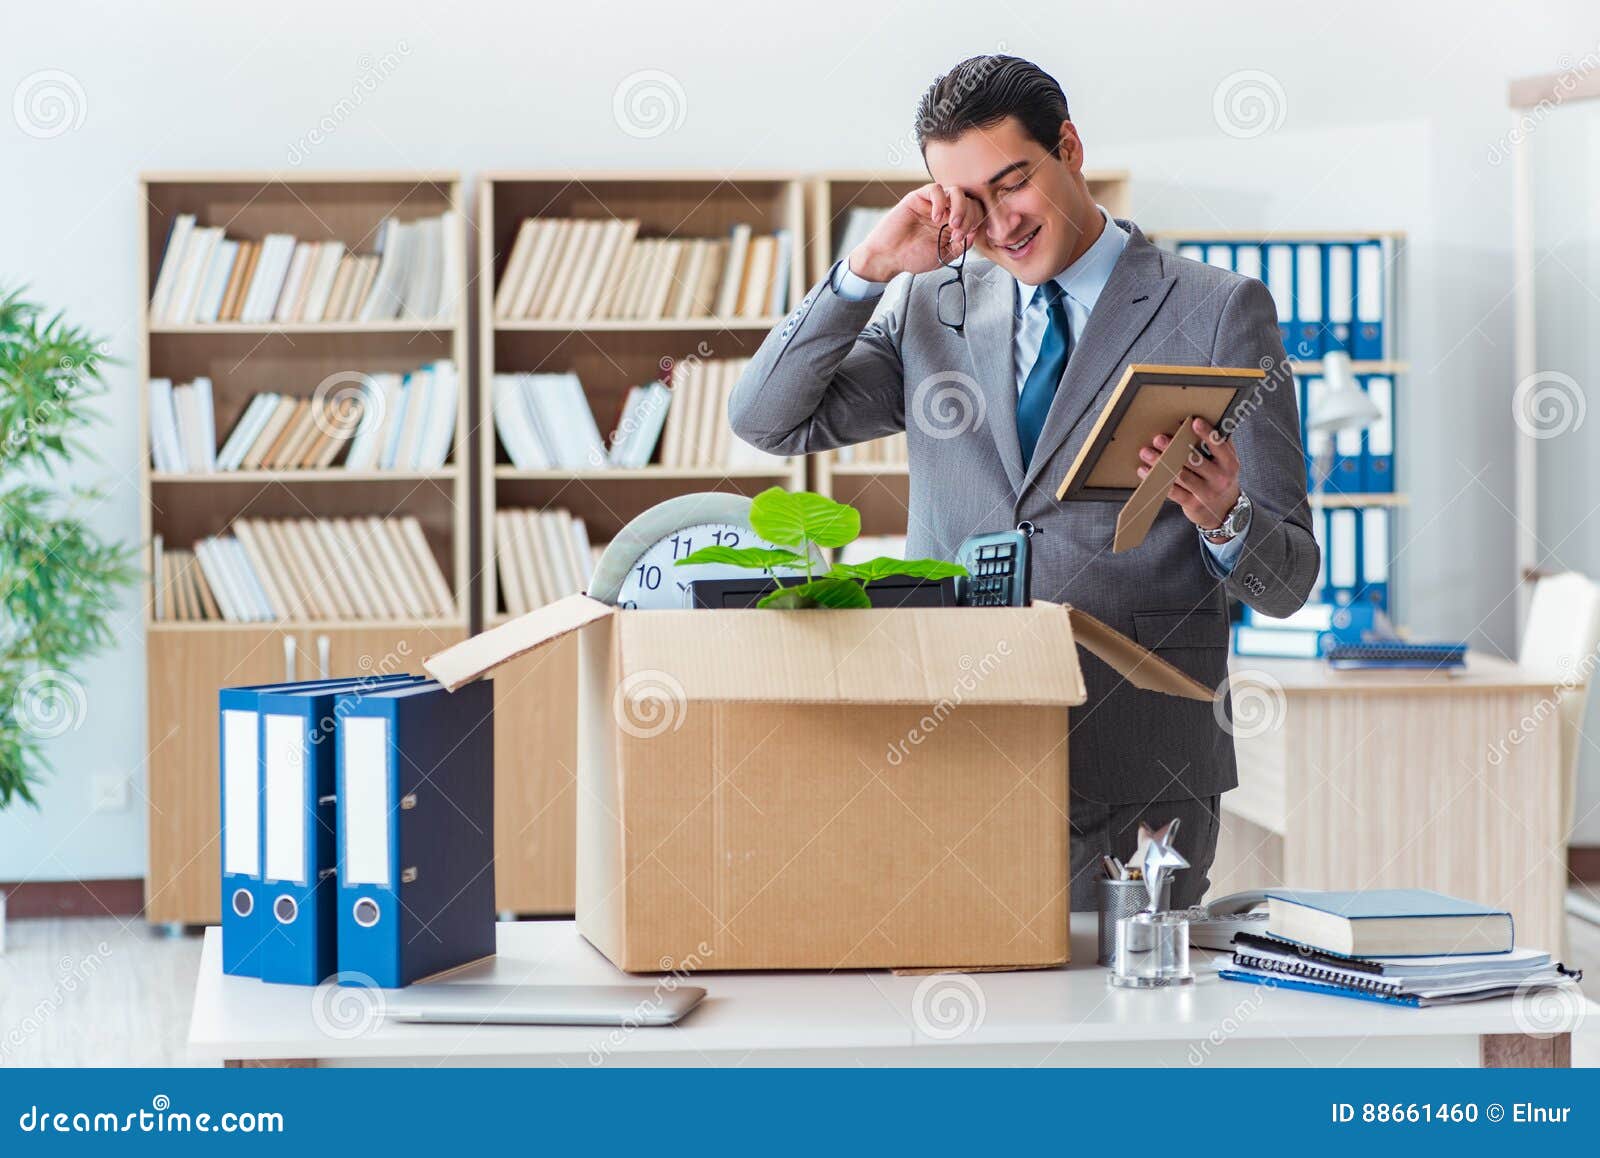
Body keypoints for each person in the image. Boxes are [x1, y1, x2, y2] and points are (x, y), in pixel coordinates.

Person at [729, 54, 1319, 908]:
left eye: (1013, 184)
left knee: (1118, 1031)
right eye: (967, 202)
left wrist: (1226, 516)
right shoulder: (930, 304)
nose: (999, 223)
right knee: (957, 1018)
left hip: (1138, 764)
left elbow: (1291, 580)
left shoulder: (1217, 311)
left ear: (1069, 148)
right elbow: (767, 420)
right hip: (951, 742)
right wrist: (864, 272)